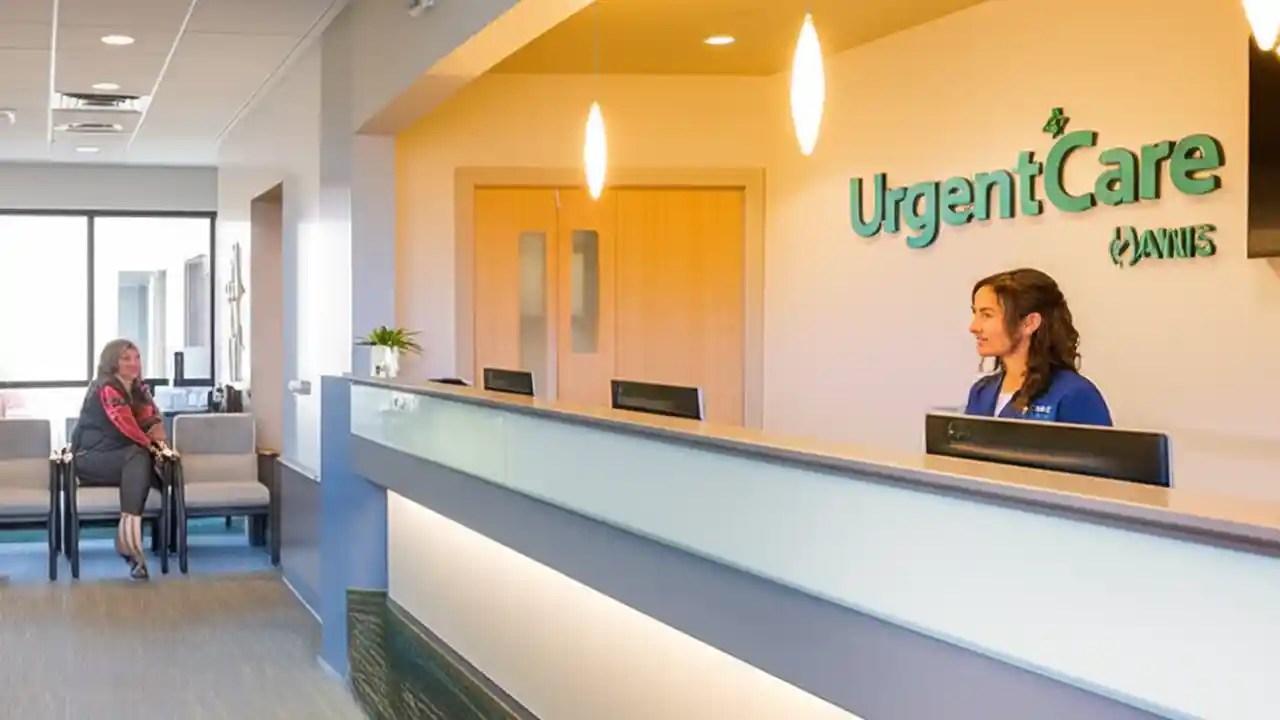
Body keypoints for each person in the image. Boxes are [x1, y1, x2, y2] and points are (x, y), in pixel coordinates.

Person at [965, 268, 1112, 426]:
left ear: (1030, 323)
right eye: (975, 313)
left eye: (987, 315)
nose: (974, 327)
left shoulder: (1074, 394)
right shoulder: (981, 392)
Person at [71, 339, 168, 579]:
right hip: (90, 458)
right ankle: (129, 541)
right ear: (112, 362)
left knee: (142, 458)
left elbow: (153, 420)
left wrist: (158, 439)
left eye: (136, 358)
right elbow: (127, 426)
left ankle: (130, 542)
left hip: (123, 458)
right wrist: (153, 447)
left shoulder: (138, 389)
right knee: (142, 456)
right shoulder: (105, 387)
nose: (133, 363)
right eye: (126, 359)